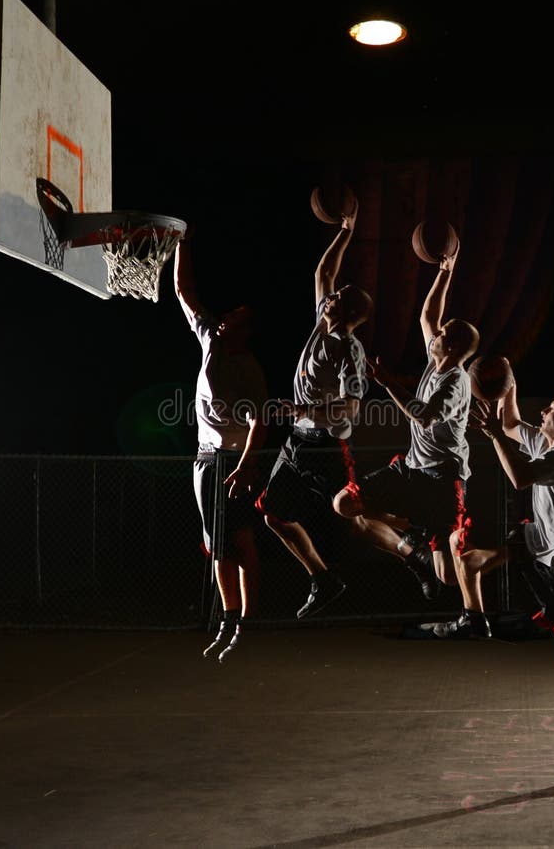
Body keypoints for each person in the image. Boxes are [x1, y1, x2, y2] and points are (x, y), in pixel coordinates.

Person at [453, 383, 554, 787]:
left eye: (552, 409)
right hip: (538, 546)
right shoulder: (545, 441)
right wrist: (507, 385)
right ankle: (475, 612)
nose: (544, 412)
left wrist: (490, 435)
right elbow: (509, 424)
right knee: (480, 557)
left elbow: (520, 477)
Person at [332, 244, 481, 608]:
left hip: (443, 480)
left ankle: (509, 554)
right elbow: (428, 314)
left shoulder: (454, 382)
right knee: (345, 504)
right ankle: (411, 546)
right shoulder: (437, 359)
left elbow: (423, 415)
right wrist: (445, 271)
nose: (437, 331)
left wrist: (385, 382)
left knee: (448, 575)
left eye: (444, 331)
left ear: (454, 345)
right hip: (413, 469)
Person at [256, 200, 373, 619]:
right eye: (333, 296)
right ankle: (322, 579)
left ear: (350, 314)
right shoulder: (321, 322)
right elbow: (323, 273)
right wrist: (346, 230)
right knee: (271, 511)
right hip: (299, 440)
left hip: (327, 445)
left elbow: (352, 409)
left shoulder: (348, 348)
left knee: (352, 516)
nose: (331, 295)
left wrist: (302, 407)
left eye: (339, 298)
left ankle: (409, 545)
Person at [174, 228, 269, 663]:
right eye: (231, 311)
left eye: (239, 316)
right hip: (206, 459)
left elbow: (259, 424)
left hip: (232, 460)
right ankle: (231, 620)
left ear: (245, 332)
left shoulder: (246, 370)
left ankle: (247, 624)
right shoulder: (210, 338)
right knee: (217, 544)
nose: (228, 315)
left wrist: (246, 466)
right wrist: (183, 241)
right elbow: (184, 288)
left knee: (241, 540)